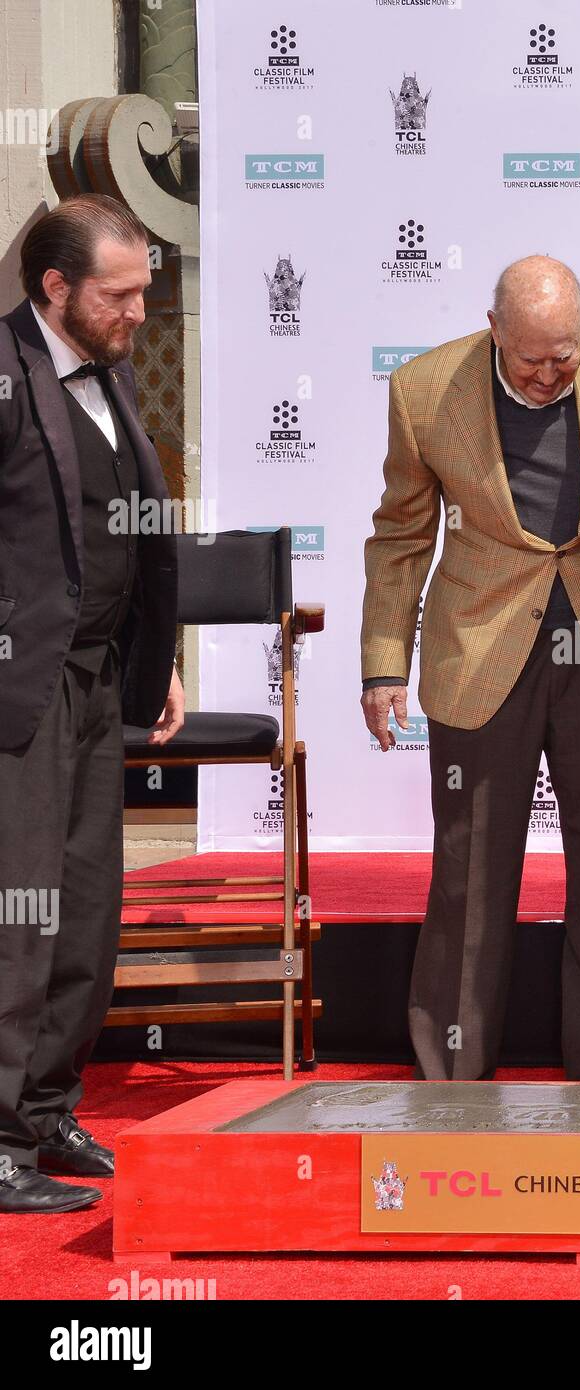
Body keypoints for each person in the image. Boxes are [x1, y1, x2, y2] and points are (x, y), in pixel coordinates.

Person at [359, 256, 580, 1083]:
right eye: (534, 360)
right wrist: (385, 663)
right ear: (494, 332)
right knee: (469, 878)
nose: (554, 373)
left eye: (567, 355)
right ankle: (452, 1075)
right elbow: (402, 537)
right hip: (481, 648)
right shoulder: (424, 390)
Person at [0, 195, 183, 1213]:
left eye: (145, 292)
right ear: (55, 287)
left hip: (98, 677)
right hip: (21, 691)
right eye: (119, 296)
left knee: (84, 912)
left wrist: (152, 661)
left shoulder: (107, 378)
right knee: (16, 919)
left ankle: (46, 1108)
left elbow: (129, 535)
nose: (139, 314)